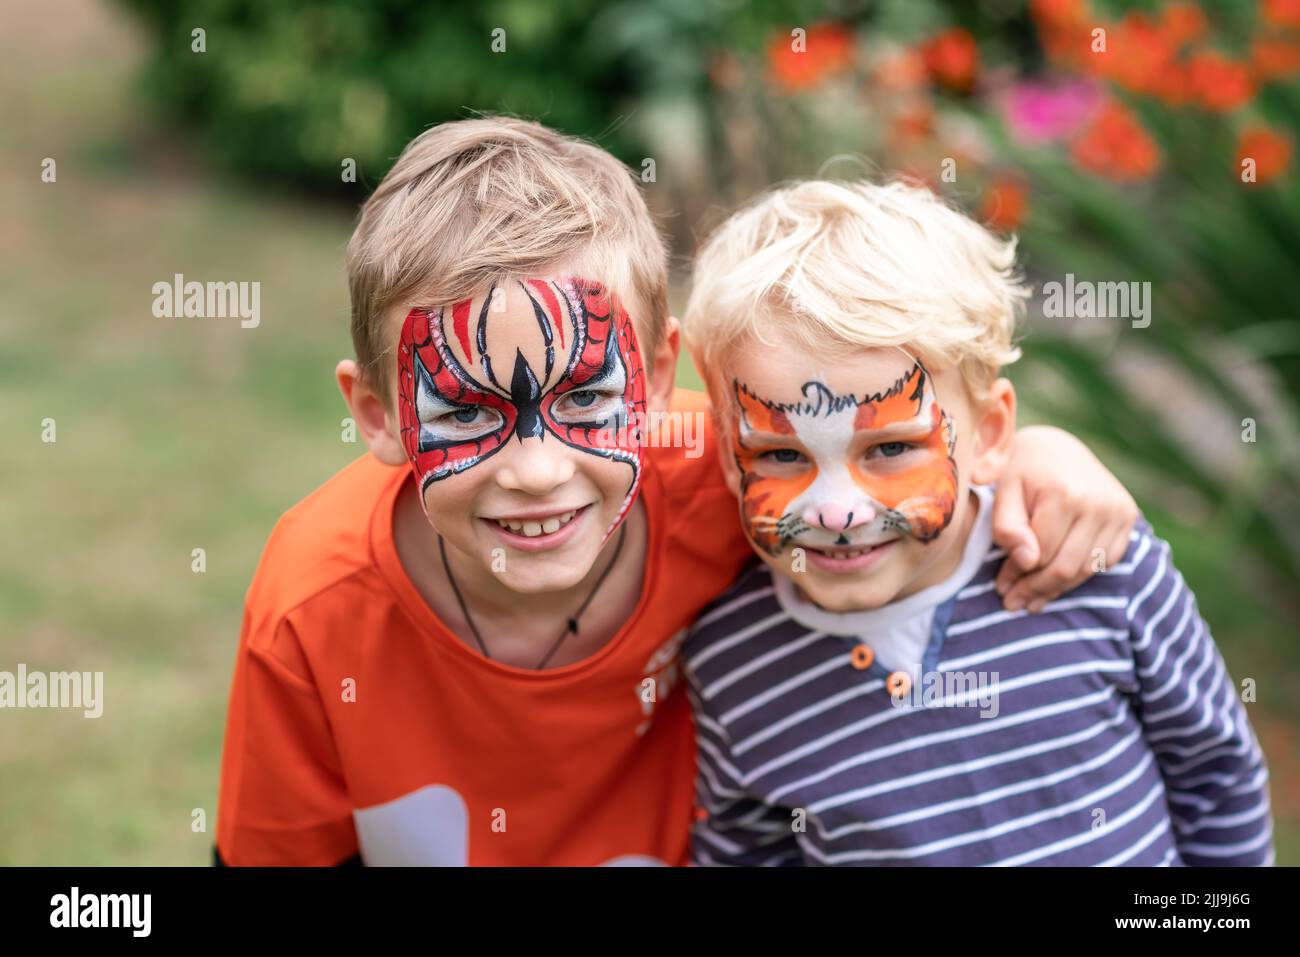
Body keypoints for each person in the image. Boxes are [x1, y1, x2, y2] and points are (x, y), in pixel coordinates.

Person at [214, 118, 1140, 865]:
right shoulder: (313, 601)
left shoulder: (739, 472)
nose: (536, 469)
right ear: (376, 413)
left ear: (660, 378)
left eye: (586, 397)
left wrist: (1041, 454)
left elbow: (883, 453)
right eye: (463, 412)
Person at [681, 179, 1273, 866]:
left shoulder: (1098, 567)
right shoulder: (731, 662)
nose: (837, 510)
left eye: (891, 447)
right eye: (781, 455)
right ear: (728, 456)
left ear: (991, 433)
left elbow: (1216, 777)